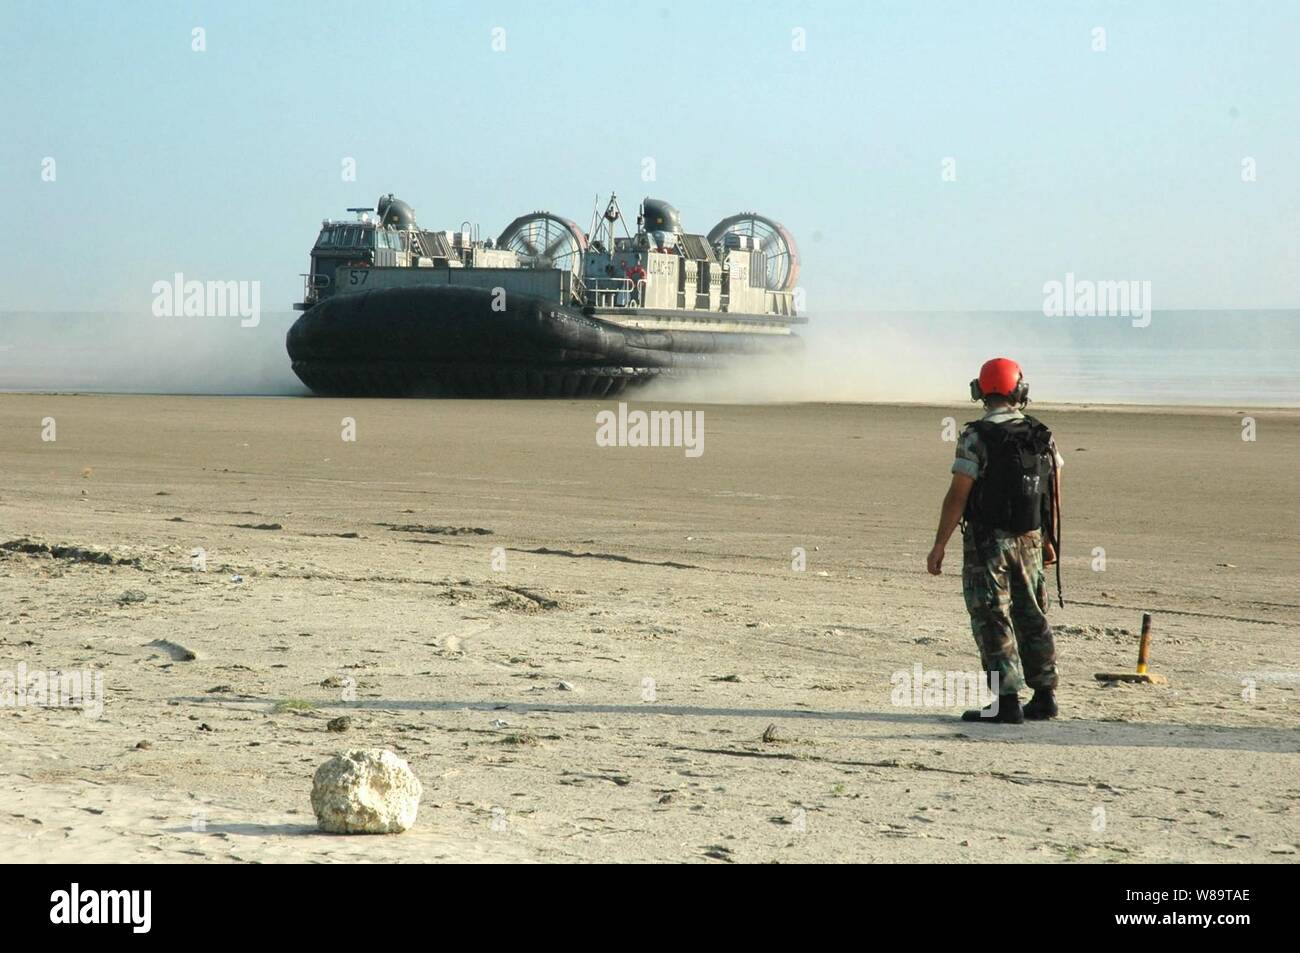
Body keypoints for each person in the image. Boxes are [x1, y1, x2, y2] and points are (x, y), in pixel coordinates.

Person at [926, 358, 1063, 724]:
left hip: (989, 543)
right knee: (1032, 613)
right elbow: (1051, 490)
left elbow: (958, 494)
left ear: (980, 392)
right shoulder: (1041, 434)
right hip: (1031, 538)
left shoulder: (975, 437)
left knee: (992, 616)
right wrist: (1049, 538)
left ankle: (1007, 701)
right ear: (1020, 391)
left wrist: (939, 544)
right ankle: (1045, 695)